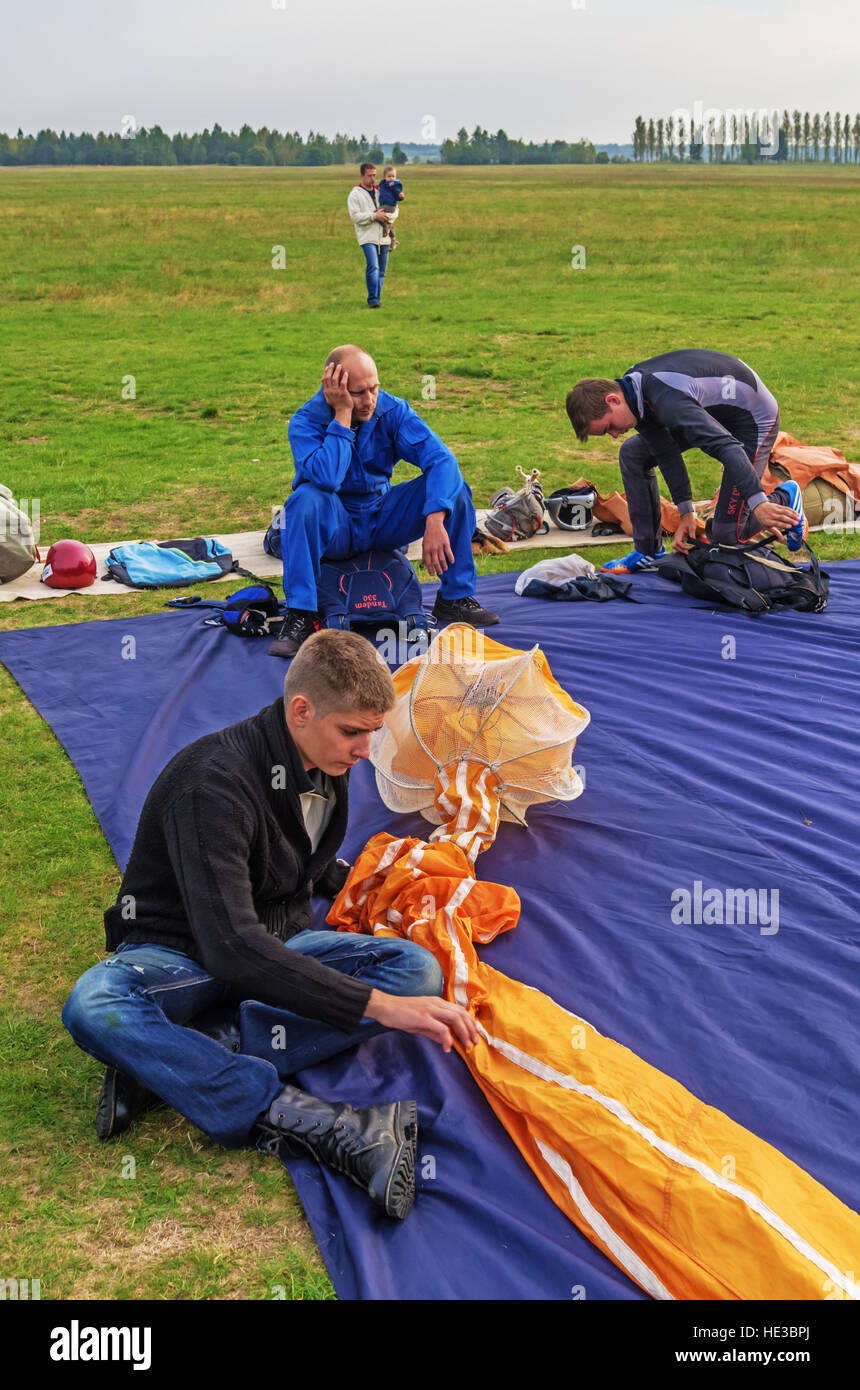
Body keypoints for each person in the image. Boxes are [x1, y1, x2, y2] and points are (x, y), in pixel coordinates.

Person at [62, 630, 478, 1219]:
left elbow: (293, 857)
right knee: (94, 1003)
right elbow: (231, 946)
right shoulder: (211, 785)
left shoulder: (323, 757)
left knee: (415, 971)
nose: (365, 751)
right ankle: (331, 1126)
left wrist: (379, 874)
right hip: (182, 955)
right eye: (353, 732)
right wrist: (375, 1006)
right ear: (301, 710)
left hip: (275, 943)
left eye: (371, 733)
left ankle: (173, 1061)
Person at [268, 344, 499, 658]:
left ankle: (454, 597)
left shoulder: (392, 410)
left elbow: (441, 460)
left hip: (382, 515)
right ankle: (301, 614)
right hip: (335, 522)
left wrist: (435, 518)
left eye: (373, 388)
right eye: (358, 393)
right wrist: (342, 417)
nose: (369, 400)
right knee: (305, 500)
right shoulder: (305, 422)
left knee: (454, 489)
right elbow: (326, 478)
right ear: (333, 387)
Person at [565, 349, 807, 574]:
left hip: (752, 420)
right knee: (633, 453)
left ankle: (787, 496)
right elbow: (665, 451)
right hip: (711, 410)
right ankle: (648, 551)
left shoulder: (667, 400)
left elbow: (726, 446)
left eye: (609, 427)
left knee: (726, 534)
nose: (615, 435)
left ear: (612, 400)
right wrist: (686, 513)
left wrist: (759, 503)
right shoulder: (633, 393)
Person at [347, 162, 396, 308]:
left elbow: (395, 209)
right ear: (362, 175)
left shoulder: (382, 190)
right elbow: (355, 217)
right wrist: (374, 216)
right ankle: (373, 299)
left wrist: (388, 218)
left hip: (384, 236)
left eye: (374, 175)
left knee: (382, 271)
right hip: (367, 237)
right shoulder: (355, 194)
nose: (372, 179)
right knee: (373, 266)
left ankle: (377, 299)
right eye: (369, 176)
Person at [378, 164, 404, 250]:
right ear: (384, 176)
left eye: (393, 176)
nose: (391, 178)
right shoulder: (383, 183)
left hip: (390, 205)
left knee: (376, 214)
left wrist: (400, 196)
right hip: (385, 205)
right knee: (389, 223)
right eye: (389, 176)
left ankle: (386, 227)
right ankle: (393, 239)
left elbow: (397, 192)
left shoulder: (393, 184)